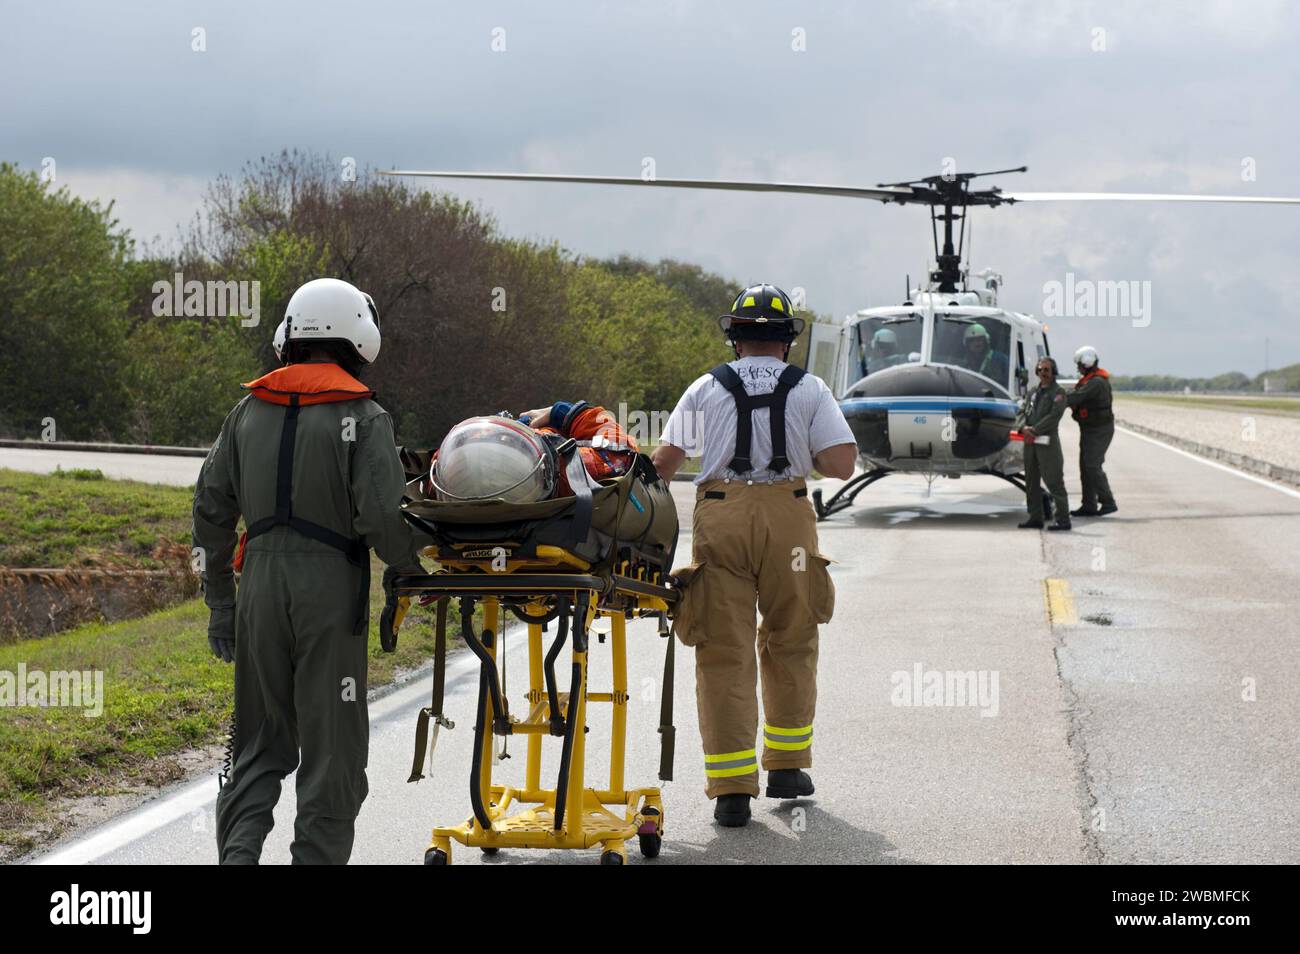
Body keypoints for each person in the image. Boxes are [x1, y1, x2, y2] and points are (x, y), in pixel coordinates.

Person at [193, 277, 426, 864]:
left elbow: (210, 508)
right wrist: (410, 567)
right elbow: (379, 514)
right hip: (328, 589)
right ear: (357, 337)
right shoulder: (364, 416)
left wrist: (222, 603)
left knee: (258, 742)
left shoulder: (247, 411)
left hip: (260, 591)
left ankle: (239, 856)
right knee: (332, 749)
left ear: (291, 336)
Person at [651, 283, 857, 828]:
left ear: (736, 339)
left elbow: (665, 464)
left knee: (723, 648)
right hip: (787, 517)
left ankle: (733, 789)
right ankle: (788, 768)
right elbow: (841, 464)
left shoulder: (704, 387)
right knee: (792, 636)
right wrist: (797, 442)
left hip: (722, 515)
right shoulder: (810, 388)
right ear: (787, 341)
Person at [1015, 356, 1071, 531]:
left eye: (1047, 370)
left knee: (1054, 481)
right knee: (1031, 482)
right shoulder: (1032, 392)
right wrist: (1022, 427)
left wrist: (1035, 430)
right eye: (1040, 370)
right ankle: (1035, 517)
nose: (1043, 373)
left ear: (1053, 372)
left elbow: (1054, 416)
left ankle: (1063, 520)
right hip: (1030, 443)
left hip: (1047, 444)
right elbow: (1021, 411)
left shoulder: (1058, 392)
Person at [1067, 346, 1118, 517]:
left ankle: (1108, 501)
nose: (1078, 369)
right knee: (1085, 466)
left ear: (1087, 362)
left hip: (1099, 430)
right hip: (1090, 429)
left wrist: (1056, 398)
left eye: (1079, 365)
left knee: (1092, 465)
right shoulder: (1090, 381)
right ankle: (1089, 505)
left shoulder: (1096, 383)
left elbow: (1076, 397)